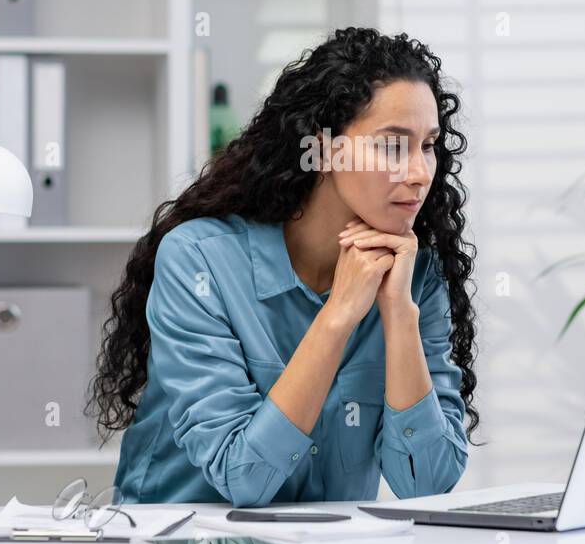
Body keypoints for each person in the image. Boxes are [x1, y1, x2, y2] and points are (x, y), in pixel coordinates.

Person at [89, 27, 478, 507]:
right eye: (393, 145)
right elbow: (244, 479)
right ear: (325, 147)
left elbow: (427, 487)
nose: (419, 172)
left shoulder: (414, 275)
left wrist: (399, 314)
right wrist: (338, 316)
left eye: (428, 145)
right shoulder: (200, 260)